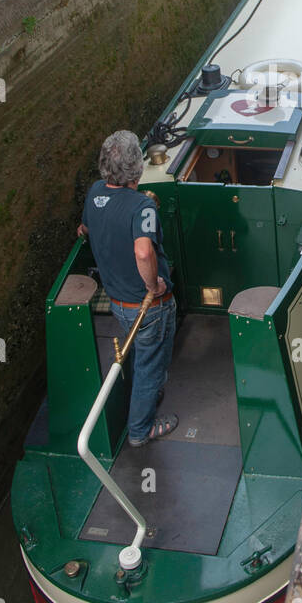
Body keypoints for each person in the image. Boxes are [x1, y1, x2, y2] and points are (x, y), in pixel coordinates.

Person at [78, 130, 178, 446]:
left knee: (143, 354)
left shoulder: (95, 192)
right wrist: (155, 285)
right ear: (137, 169)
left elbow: (84, 229)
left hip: (118, 301)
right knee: (150, 363)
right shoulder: (141, 207)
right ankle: (140, 429)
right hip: (147, 304)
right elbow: (143, 251)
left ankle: (149, 391)